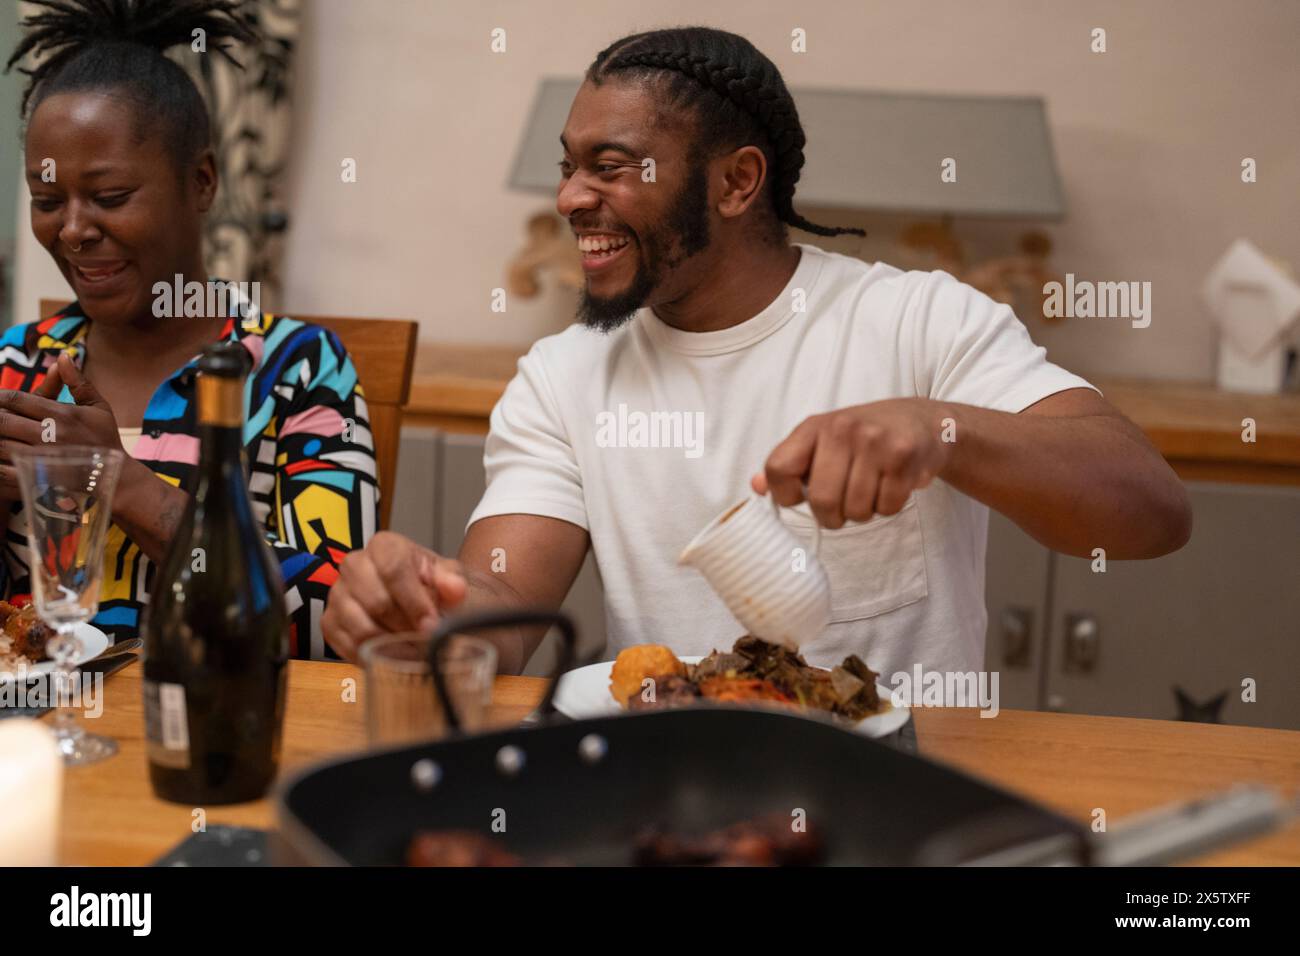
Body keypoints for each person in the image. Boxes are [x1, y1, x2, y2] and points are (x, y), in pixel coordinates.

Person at [322, 27, 1191, 679]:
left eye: (610, 166)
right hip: (677, 807)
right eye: (569, 166)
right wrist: (424, 606)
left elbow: (1150, 510)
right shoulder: (563, 378)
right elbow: (503, 605)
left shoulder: (917, 320)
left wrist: (941, 432)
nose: (569, 197)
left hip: (909, 804)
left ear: (737, 182)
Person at [3, 0, 377, 659]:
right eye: (47, 199)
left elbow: (337, 623)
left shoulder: (296, 371)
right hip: (39, 743)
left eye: (111, 197)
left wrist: (122, 483)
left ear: (200, 182)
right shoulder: (18, 368)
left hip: (217, 730)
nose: (72, 229)